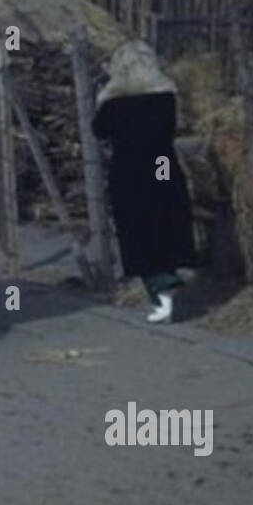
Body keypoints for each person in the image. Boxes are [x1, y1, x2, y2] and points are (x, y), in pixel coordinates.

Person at [92, 41, 196, 324]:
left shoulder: (114, 102)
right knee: (164, 223)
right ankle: (165, 286)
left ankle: (162, 287)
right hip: (162, 168)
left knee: (137, 231)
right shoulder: (165, 97)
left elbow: (98, 130)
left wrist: (104, 97)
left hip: (129, 174)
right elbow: (170, 129)